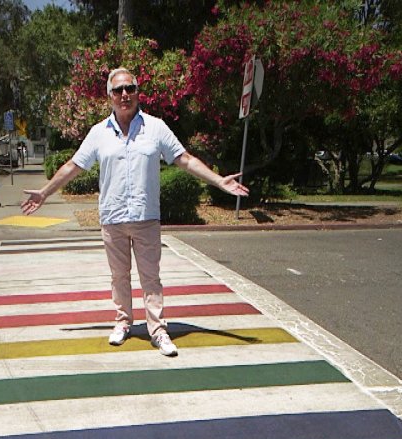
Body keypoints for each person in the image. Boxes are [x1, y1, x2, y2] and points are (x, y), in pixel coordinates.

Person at [21, 67, 248, 356]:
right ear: (109, 96)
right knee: (119, 277)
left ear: (138, 92)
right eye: (118, 90)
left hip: (146, 218)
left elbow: (184, 159)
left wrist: (218, 181)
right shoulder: (98, 133)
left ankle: (158, 329)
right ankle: (123, 322)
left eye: (130, 88)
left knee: (150, 277)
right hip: (113, 218)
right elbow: (73, 166)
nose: (125, 94)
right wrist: (44, 192)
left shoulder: (156, 128)